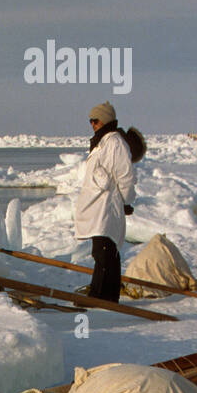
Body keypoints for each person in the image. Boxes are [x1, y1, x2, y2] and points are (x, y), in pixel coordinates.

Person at [74, 101, 137, 302]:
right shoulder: (102, 143)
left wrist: (126, 202)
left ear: (106, 121)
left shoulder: (115, 143)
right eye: (90, 121)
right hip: (98, 207)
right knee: (101, 253)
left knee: (106, 254)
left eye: (96, 120)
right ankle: (100, 295)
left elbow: (125, 176)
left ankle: (104, 298)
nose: (92, 124)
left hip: (107, 207)